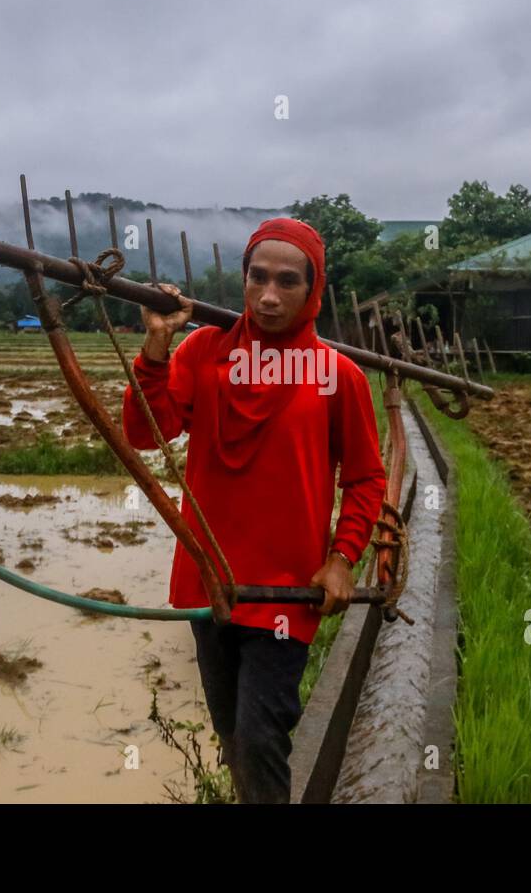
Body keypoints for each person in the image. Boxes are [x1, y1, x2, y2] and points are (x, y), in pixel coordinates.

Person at [121, 217, 386, 803]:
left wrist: (342, 559)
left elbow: (367, 478)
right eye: (257, 277)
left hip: (287, 592)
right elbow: (146, 433)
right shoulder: (203, 353)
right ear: (242, 278)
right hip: (209, 582)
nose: (269, 296)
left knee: (263, 735)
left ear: (312, 290)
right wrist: (157, 348)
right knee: (232, 732)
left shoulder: (337, 377)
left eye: (288, 282)